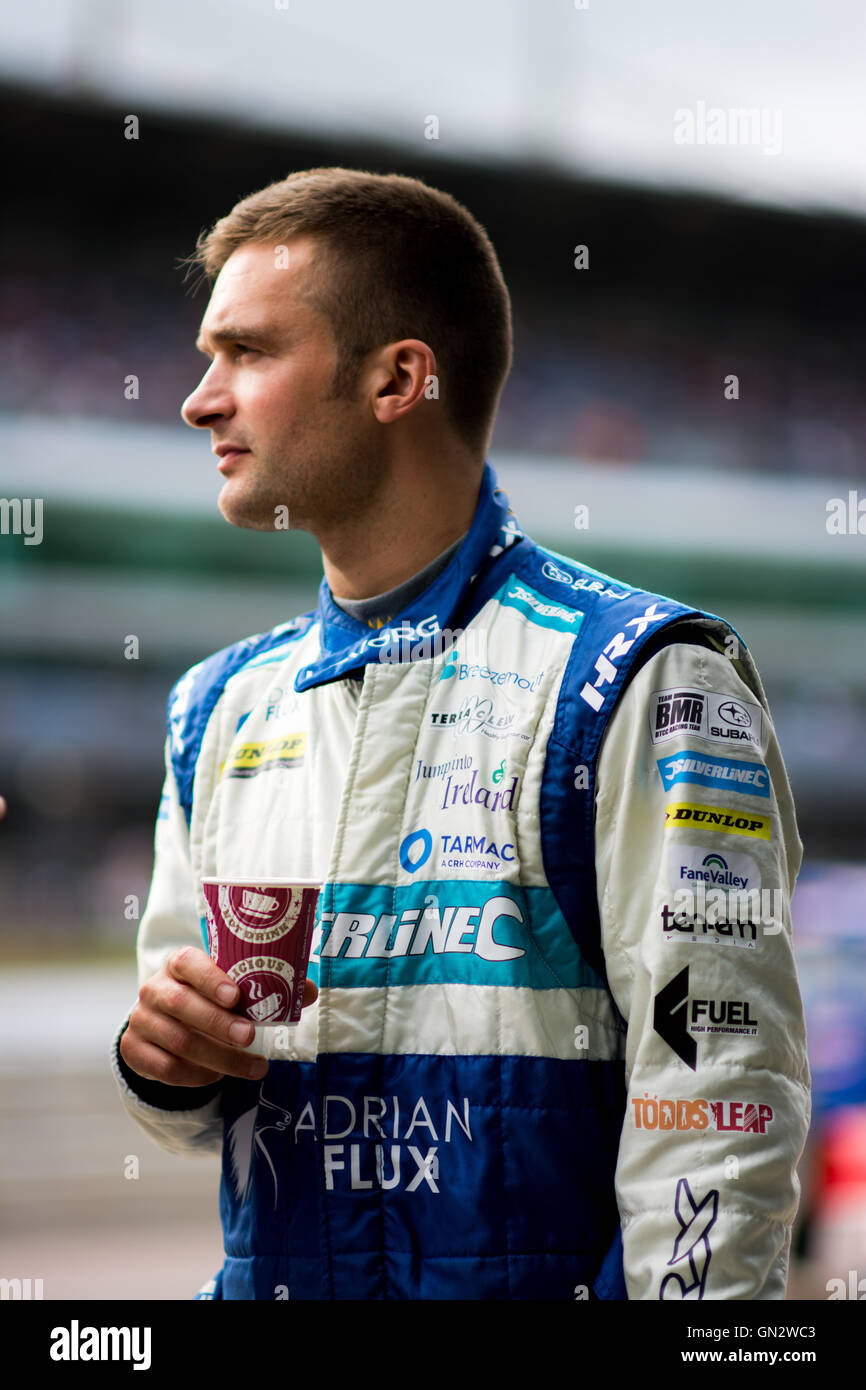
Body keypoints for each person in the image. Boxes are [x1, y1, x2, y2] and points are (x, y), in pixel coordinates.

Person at [113, 167, 810, 1301]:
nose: (199, 398)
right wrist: (165, 1062)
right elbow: (190, 1103)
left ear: (397, 377)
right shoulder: (217, 707)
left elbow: (719, 1114)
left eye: (244, 352)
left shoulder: (641, 674)